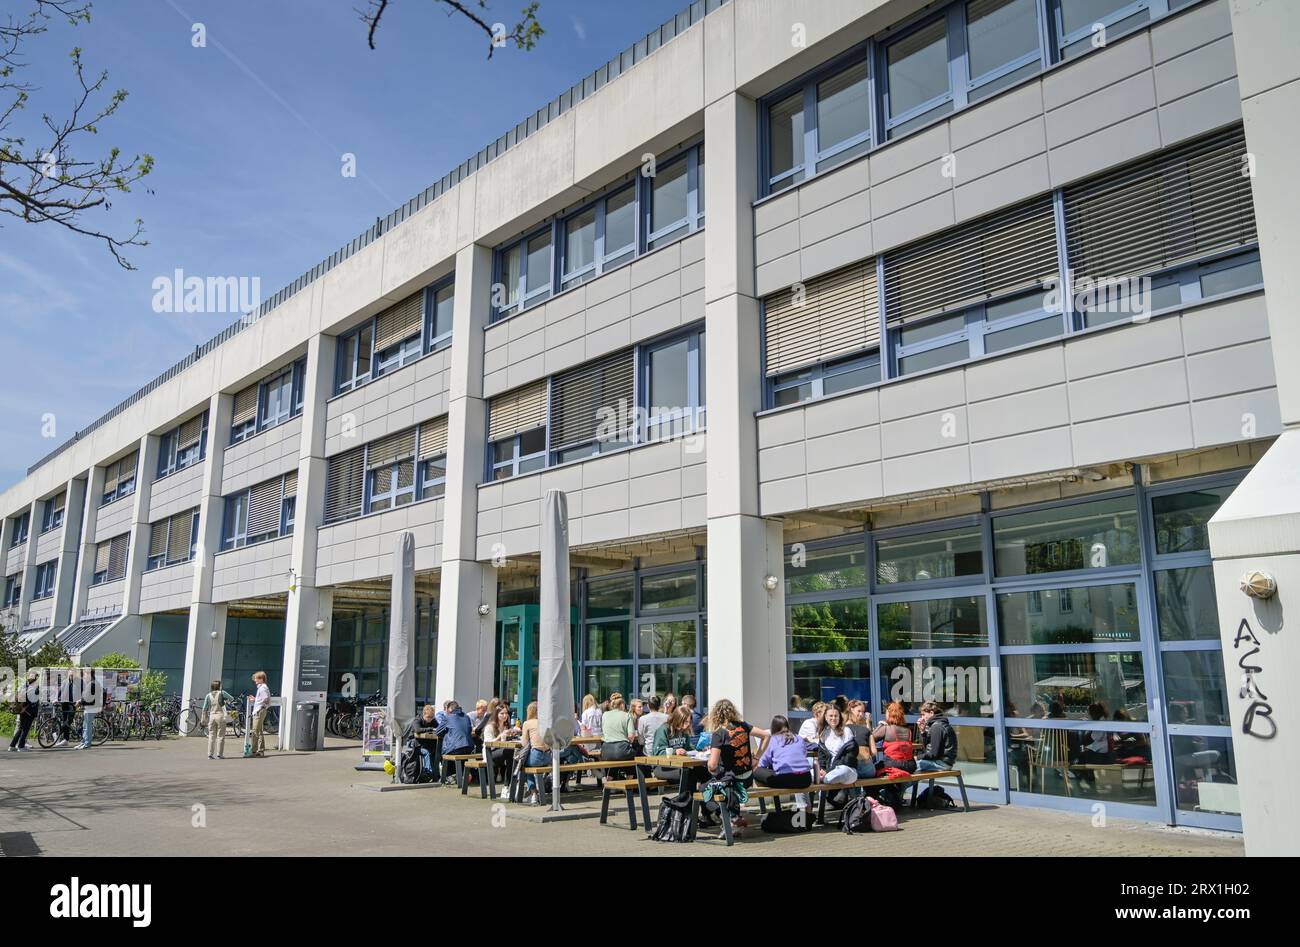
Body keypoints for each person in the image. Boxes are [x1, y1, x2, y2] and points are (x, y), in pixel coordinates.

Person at [702, 699, 769, 833]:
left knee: (704, 789)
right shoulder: (744, 726)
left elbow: (713, 765)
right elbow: (766, 735)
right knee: (725, 786)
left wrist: (709, 763)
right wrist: (756, 758)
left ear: (716, 715)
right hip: (747, 779)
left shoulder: (719, 733)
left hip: (732, 780)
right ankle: (734, 818)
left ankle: (727, 817)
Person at [519, 701, 583, 804]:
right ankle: (539, 789)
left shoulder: (527, 723)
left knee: (524, 767)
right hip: (549, 756)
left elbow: (524, 743)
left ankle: (533, 793)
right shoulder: (547, 723)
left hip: (536, 755)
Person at [754, 715, 813, 809]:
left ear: (773, 728)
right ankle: (804, 815)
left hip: (785, 779)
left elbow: (762, 764)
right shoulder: (799, 738)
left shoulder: (772, 740)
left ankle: (764, 802)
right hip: (806, 779)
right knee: (773, 773)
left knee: (756, 770)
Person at [648, 706, 696, 787]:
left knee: (703, 771)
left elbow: (688, 749)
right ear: (678, 719)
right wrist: (675, 751)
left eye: (689, 722)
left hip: (679, 765)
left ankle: (698, 798)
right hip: (662, 768)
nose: (687, 725)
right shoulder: (664, 729)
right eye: (685, 722)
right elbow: (658, 752)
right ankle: (684, 798)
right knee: (688, 773)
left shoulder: (684, 731)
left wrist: (700, 751)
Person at [482, 701, 519, 796]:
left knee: (514, 754)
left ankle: (508, 786)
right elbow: (487, 744)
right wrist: (500, 736)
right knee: (510, 753)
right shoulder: (490, 727)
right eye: (502, 713)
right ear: (496, 714)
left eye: (506, 713)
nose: (504, 715)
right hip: (490, 753)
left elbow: (505, 742)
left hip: (503, 752)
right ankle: (508, 786)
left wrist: (512, 734)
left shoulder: (506, 726)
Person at [817, 704, 859, 788]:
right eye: (831, 716)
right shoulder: (824, 733)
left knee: (841, 771)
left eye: (836, 716)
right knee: (808, 775)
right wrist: (822, 769)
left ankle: (823, 779)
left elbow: (849, 759)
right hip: (829, 772)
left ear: (840, 717)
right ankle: (804, 801)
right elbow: (822, 756)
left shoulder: (846, 731)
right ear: (825, 717)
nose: (833, 718)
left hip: (846, 770)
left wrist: (828, 771)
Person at [1074, 702, 1113, 787]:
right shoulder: (1101, 721)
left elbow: (1093, 738)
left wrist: (1087, 725)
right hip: (1101, 750)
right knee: (1081, 752)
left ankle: (1085, 775)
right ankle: (1085, 774)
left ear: (1094, 713)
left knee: (1082, 754)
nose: (1089, 716)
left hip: (1104, 755)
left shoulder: (1101, 724)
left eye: (1089, 714)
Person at [599, 693, 638, 777]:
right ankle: (629, 783)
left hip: (606, 751)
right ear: (622, 704)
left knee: (616, 759)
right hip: (621, 749)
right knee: (633, 756)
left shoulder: (605, 715)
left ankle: (609, 782)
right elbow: (631, 736)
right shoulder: (627, 715)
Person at [436, 699, 474, 784]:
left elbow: (438, 732)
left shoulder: (448, 717)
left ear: (449, 709)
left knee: (444, 753)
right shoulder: (466, 716)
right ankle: (459, 776)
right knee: (460, 751)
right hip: (469, 747)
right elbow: (469, 730)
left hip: (455, 748)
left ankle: (448, 776)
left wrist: (447, 731)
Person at [915, 700, 957, 773]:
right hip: (942, 762)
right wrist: (923, 732)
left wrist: (916, 757)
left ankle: (898, 784)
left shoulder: (937, 726)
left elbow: (933, 754)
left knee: (909, 766)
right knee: (909, 765)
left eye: (923, 714)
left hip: (941, 763)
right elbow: (928, 748)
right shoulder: (938, 724)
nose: (922, 717)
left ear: (931, 713)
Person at [873, 701, 915, 773]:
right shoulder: (908, 730)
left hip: (893, 764)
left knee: (872, 770)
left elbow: (869, 739)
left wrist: (880, 725)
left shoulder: (887, 728)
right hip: (910, 765)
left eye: (886, 713)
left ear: (890, 714)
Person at [202, 680, 235, 759]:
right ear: (219, 686)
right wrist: (226, 701)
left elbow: (204, 708)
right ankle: (219, 754)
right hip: (220, 715)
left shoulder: (208, 695)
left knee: (211, 735)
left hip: (212, 716)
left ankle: (210, 754)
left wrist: (203, 718)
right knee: (220, 736)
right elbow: (232, 698)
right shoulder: (222, 693)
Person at [7, 672, 39, 752]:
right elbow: (34, 700)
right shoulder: (35, 687)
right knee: (25, 729)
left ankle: (12, 746)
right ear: (35, 678)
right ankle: (21, 746)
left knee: (21, 728)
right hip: (29, 711)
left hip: (22, 709)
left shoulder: (24, 685)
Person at [846, 700, 877, 779]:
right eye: (859, 711)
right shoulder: (866, 729)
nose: (861, 714)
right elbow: (873, 752)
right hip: (868, 770)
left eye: (863, 712)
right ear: (851, 710)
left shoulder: (843, 728)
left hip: (852, 768)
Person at [247, 671, 272, 757]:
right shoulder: (263, 687)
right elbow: (265, 699)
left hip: (259, 711)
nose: (255, 680)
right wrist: (256, 699)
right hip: (261, 710)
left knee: (255, 731)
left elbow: (266, 699)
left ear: (261, 679)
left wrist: (260, 703)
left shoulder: (262, 688)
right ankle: (260, 750)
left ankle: (253, 751)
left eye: (256, 678)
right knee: (259, 731)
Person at [75, 669, 100, 750]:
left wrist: (80, 702)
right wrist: (80, 700)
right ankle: (83, 742)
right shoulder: (91, 683)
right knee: (85, 726)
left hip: (91, 707)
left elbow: (88, 697)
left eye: (85, 674)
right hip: (89, 707)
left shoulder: (92, 684)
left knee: (87, 726)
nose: (84, 676)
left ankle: (87, 743)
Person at [54, 670, 75, 748]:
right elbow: (59, 691)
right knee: (65, 721)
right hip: (64, 703)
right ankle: (66, 739)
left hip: (73, 704)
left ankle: (57, 734)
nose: (71, 676)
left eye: (73, 675)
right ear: (68, 675)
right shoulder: (65, 682)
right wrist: (56, 699)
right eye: (70, 675)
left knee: (68, 721)